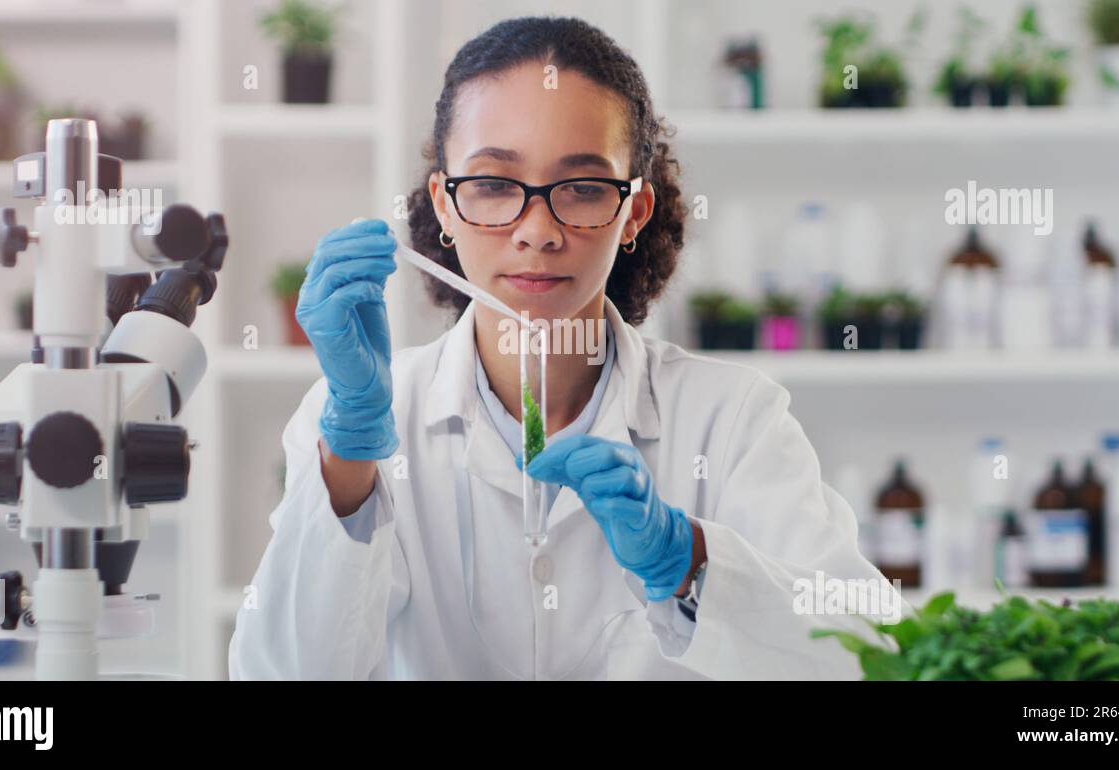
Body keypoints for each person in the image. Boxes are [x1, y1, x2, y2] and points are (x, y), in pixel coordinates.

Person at [229, 16, 899, 680]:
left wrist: (688, 563)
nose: (538, 231)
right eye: (492, 186)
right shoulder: (366, 417)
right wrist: (350, 455)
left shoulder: (733, 420)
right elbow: (281, 672)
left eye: (582, 189)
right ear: (443, 205)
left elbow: (866, 656)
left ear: (634, 211)